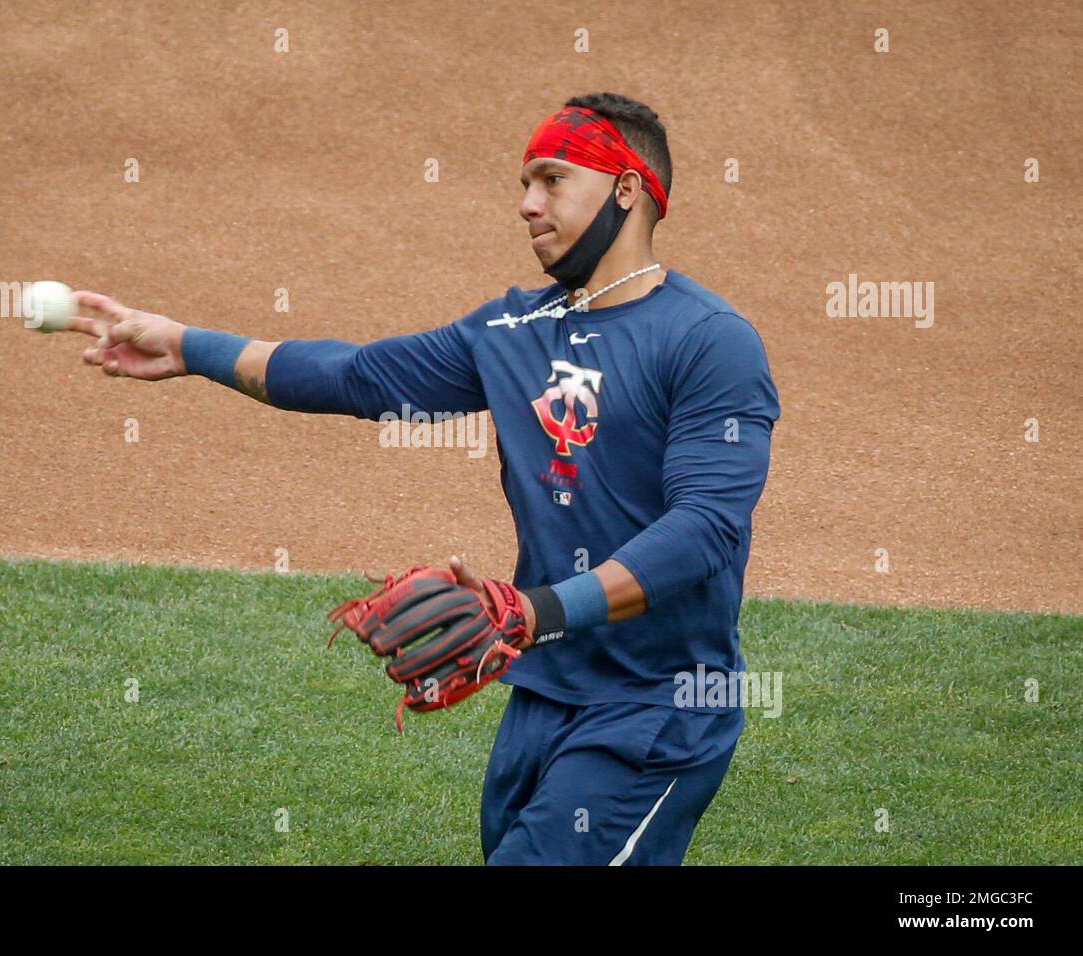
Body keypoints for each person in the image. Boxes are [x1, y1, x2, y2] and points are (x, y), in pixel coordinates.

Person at [62, 91, 780, 865]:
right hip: (543, 695)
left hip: (656, 705)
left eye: (551, 179)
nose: (527, 205)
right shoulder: (509, 330)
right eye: (522, 184)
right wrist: (185, 345)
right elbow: (357, 375)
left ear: (627, 189)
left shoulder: (710, 342)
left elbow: (705, 529)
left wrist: (538, 610)